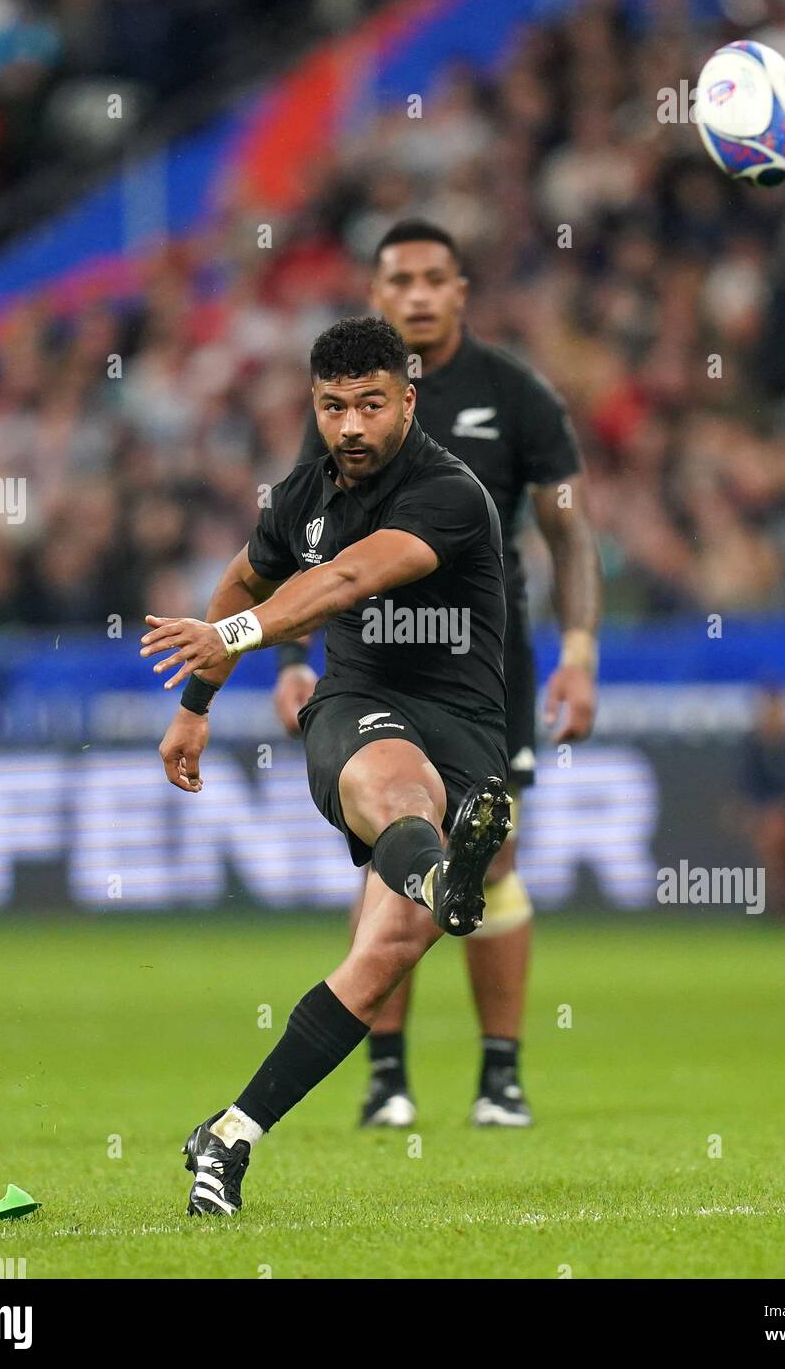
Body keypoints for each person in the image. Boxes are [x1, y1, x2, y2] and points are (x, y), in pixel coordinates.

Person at [142, 316, 513, 1215]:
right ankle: (440, 878)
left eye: (370, 405)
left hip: (464, 723)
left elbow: (348, 580)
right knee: (398, 788)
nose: (350, 426)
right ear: (314, 405)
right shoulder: (299, 497)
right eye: (333, 406)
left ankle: (228, 1137)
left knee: (380, 953)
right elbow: (242, 582)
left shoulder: (449, 493)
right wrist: (195, 708)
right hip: (359, 707)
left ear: (407, 402)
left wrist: (227, 637)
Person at [273, 220, 600, 1127]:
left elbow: (570, 530)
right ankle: (387, 1077)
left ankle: (498, 1075)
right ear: (377, 294)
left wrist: (578, 652)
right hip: (371, 654)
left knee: (492, 855)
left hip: (484, 665)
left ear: (461, 291)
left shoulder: (516, 395)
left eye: (432, 279)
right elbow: (307, 547)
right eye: (398, 279)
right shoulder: (349, 405)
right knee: (394, 847)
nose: (416, 294)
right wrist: (296, 658)